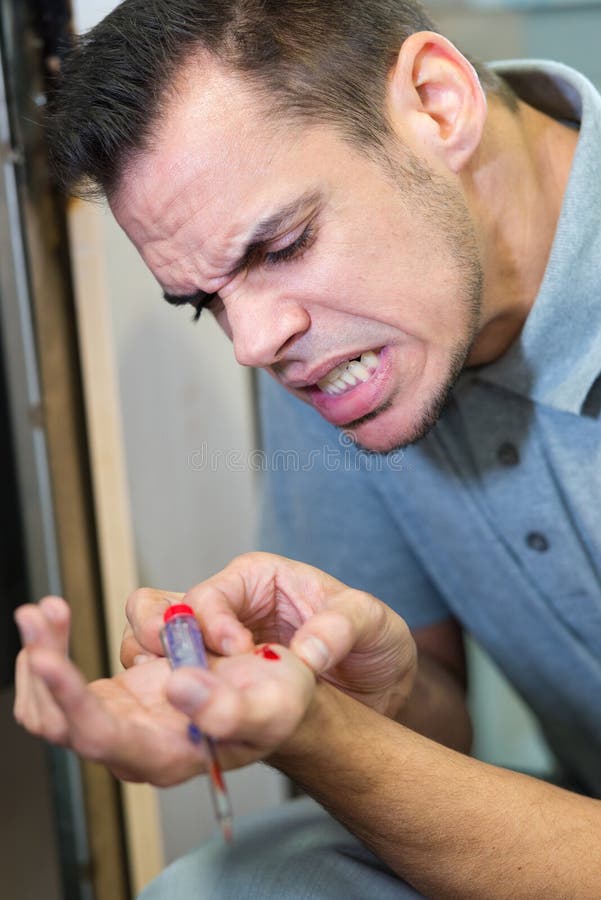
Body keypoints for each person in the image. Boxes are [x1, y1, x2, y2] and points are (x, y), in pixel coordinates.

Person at [13, 0, 601, 896]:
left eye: (282, 244)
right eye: (206, 302)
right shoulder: (338, 344)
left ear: (437, 103)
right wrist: (329, 695)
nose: (254, 343)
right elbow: (438, 736)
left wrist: (328, 740)